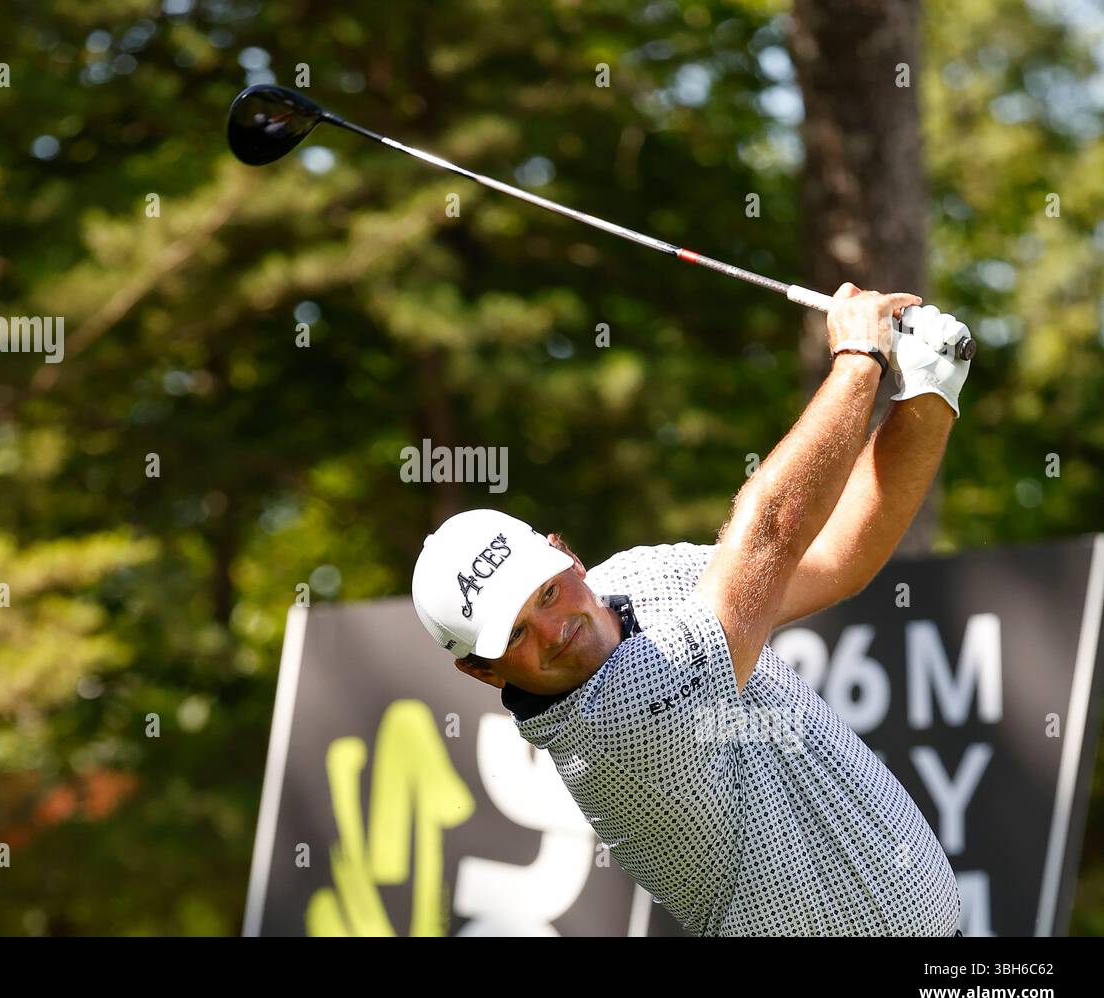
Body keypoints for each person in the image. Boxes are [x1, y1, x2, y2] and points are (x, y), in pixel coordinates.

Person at [410, 283, 973, 936]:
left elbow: (835, 560)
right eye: (514, 634)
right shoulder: (612, 724)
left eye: (544, 591)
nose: (553, 627)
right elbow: (772, 527)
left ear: (565, 555)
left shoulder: (640, 578)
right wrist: (857, 358)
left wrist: (930, 393)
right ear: (482, 672)